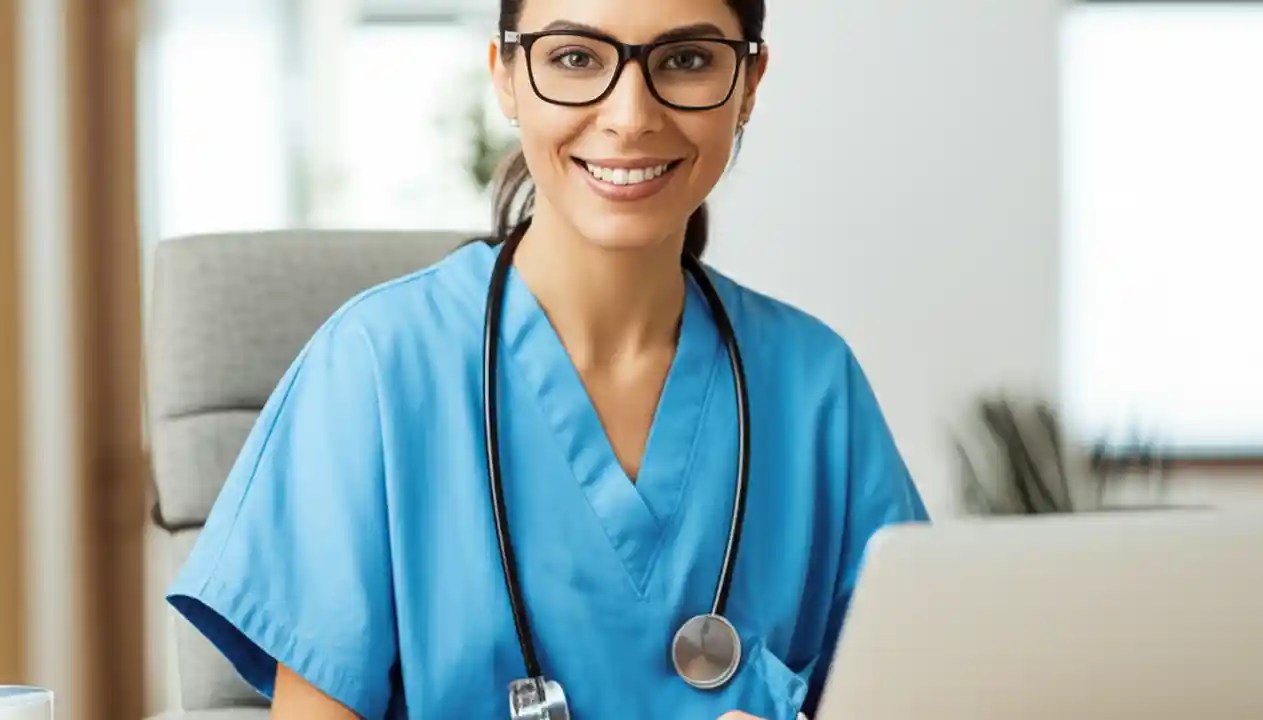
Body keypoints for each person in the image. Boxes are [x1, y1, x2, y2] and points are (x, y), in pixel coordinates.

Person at [166, 0, 929, 717]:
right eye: (574, 57)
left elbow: (921, 690)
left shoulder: (813, 387)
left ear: (750, 83)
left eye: (688, 59)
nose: (631, 117)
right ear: (504, 74)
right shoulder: (372, 369)